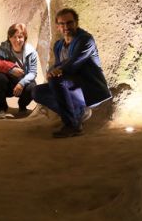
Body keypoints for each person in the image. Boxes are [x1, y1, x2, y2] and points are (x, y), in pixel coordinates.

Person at [32, 8, 111, 137]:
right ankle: (77, 113)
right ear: (57, 26)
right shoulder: (58, 45)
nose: (66, 27)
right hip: (69, 86)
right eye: (62, 24)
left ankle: (72, 126)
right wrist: (52, 71)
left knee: (55, 79)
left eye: (69, 23)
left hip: (87, 88)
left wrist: (55, 72)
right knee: (37, 91)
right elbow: (58, 65)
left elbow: (74, 63)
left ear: (76, 23)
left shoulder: (86, 40)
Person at [0, 23, 38, 119]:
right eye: (14, 37)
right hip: (8, 83)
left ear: (25, 37)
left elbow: (33, 72)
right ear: (9, 37)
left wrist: (21, 83)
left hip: (23, 82)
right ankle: (1, 108)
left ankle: (22, 105)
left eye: (20, 37)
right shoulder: (4, 48)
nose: (17, 40)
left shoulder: (31, 52)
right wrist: (11, 70)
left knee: (33, 87)